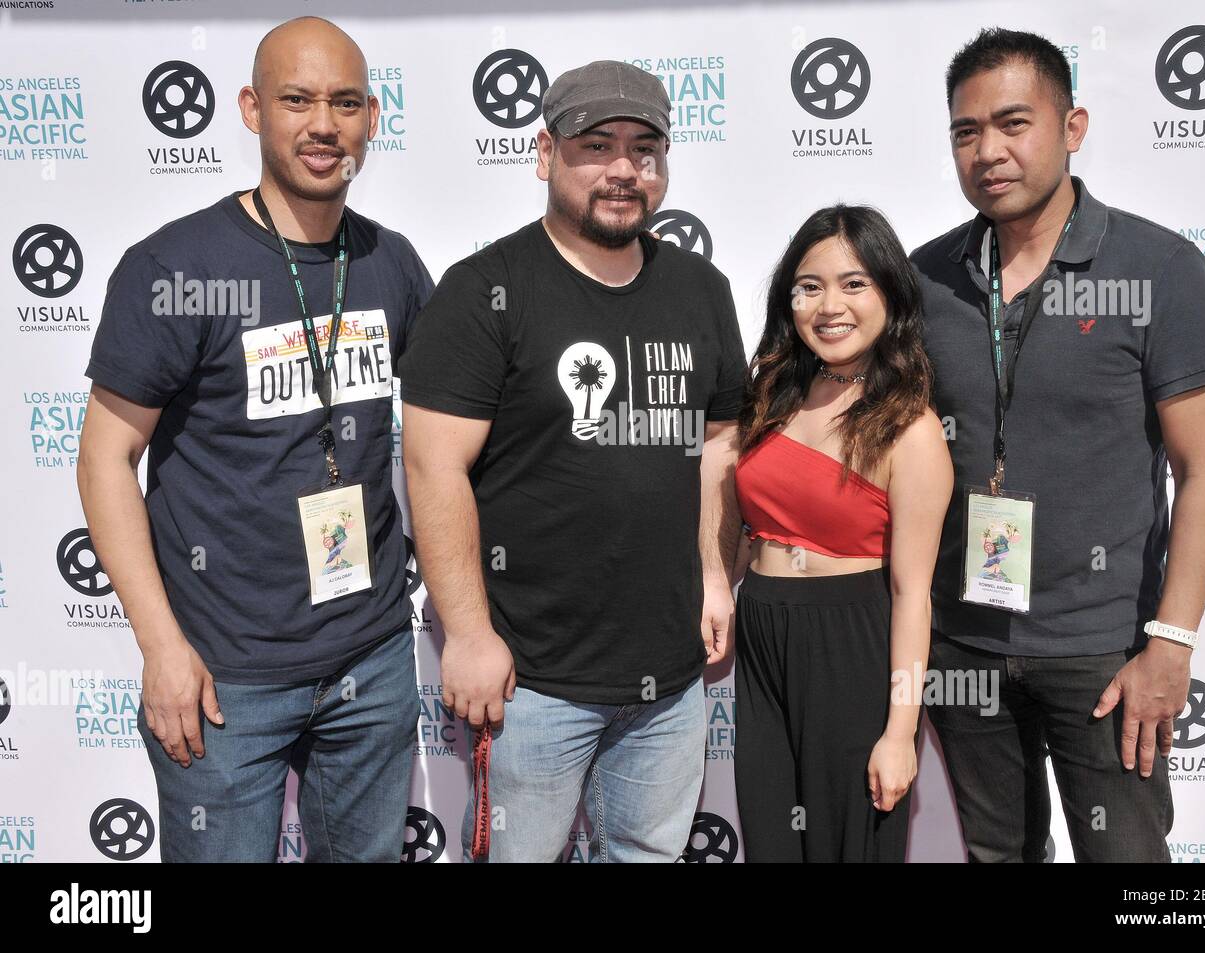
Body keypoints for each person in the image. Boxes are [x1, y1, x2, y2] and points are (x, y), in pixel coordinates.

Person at [77, 17, 432, 862]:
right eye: (297, 99)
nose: (324, 125)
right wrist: (161, 646)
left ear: (373, 118)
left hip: (374, 662)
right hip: (221, 677)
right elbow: (103, 458)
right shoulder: (176, 268)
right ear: (250, 108)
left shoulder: (391, 262)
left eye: (345, 103)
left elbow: (450, 440)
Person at [398, 60, 749, 863]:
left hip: (671, 678)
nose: (623, 169)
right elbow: (433, 468)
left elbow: (719, 442)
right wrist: (471, 633)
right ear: (545, 152)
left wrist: (711, 572)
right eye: (597, 146)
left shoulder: (702, 288)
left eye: (643, 148)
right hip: (532, 681)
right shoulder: (486, 290)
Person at [910, 28, 1205, 862]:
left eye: (1014, 123)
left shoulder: (1158, 266)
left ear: (1073, 127)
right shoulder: (926, 277)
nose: (989, 151)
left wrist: (1172, 643)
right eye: (966, 131)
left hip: (1105, 653)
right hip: (964, 644)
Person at [732, 205, 952, 862]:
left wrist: (900, 730)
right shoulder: (773, 390)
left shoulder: (910, 430)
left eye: (855, 284)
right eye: (811, 285)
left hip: (851, 646)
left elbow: (914, 595)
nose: (831, 305)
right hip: (764, 635)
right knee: (774, 843)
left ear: (891, 295)